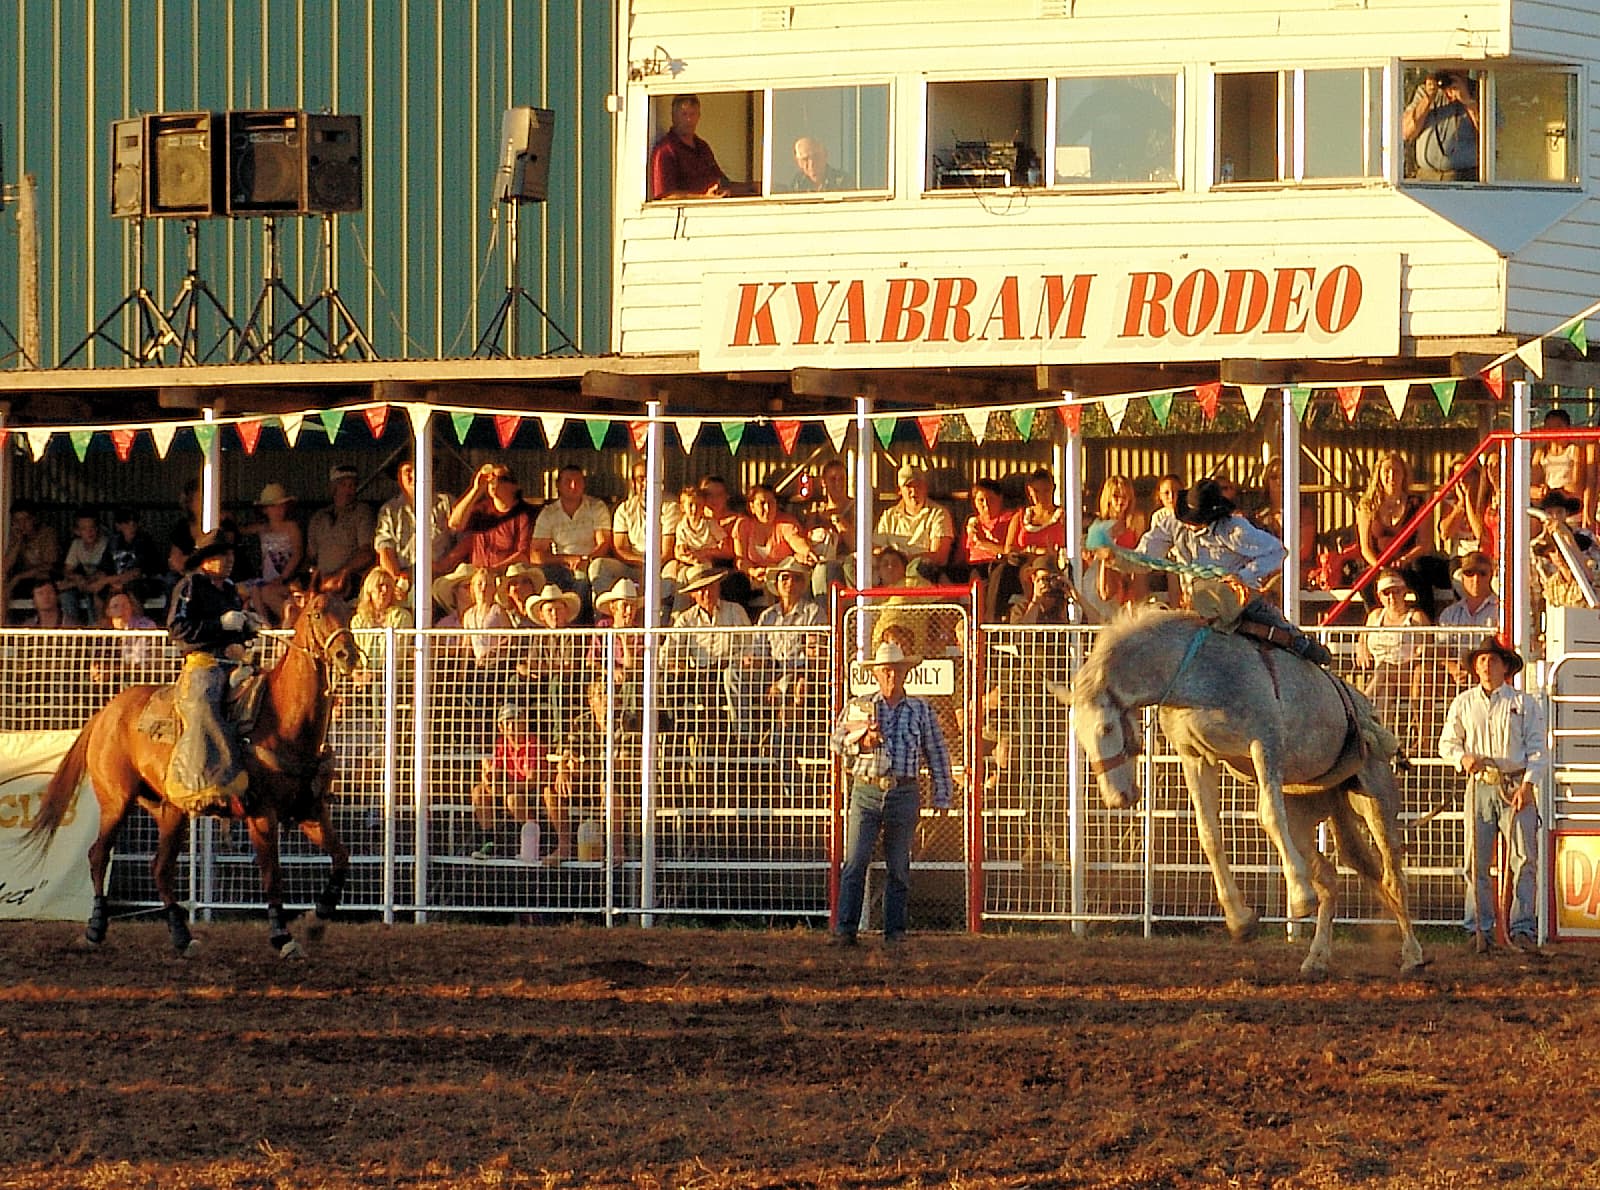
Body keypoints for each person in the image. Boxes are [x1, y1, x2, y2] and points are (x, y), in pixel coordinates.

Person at [828, 640, 954, 949]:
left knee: (898, 866)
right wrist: (862, 744)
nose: (891, 676)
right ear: (877, 674)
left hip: (903, 791)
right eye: (886, 671)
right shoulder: (859, 706)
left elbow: (937, 753)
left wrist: (943, 794)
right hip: (867, 789)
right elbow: (836, 742)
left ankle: (893, 931)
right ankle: (846, 929)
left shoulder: (920, 709)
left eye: (896, 670)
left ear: (904, 673)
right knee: (855, 861)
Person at [1136, 478, 1332, 665]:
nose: (1188, 522)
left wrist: (1242, 577)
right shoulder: (1172, 524)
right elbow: (1144, 555)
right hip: (1197, 606)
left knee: (1282, 631)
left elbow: (1277, 550)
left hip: (1242, 603)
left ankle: (1302, 644)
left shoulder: (1234, 530)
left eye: (1194, 518)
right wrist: (1123, 559)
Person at [1437, 637, 1547, 954]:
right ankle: (1479, 930)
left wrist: (1528, 785)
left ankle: (1522, 929)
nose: (1486, 665)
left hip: (1515, 785)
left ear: (1505, 667)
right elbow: (1447, 743)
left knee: (1524, 860)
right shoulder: (1463, 703)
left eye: (1493, 660)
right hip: (1480, 785)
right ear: (1475, 667)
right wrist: (1462, 758)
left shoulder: (1524, 703)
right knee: (1475, 862)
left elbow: (1538, 748)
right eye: (1482, 660)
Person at [166, 539, 258, 814]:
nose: (229, 561)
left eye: (230, 555)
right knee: (204, 705)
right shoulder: (190, 586)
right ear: (205, 560)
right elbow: (177, 628)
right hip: (203, 663)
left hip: (233, 663)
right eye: (221, 556)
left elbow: (234, 631)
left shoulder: (229, 589)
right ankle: (204, 781)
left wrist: (246, 627)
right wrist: (219, 624)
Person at [1355, 450, 1448, 619]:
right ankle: (1376, 621)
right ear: (1379, 475)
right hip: (1379, 564)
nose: (1392, 476)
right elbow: (1365, 547)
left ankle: (1425, 621)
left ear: (1404, 475)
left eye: (1396, 471)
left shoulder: (1417, 504)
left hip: (1408, 564)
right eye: (1387, 471)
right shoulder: (1367, 506)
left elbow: (1424, 543)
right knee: (1365, 581)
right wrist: (1380, 566)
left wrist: (1405, 559)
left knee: (1421, 572)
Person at [374, 455, 464, 614]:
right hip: (403, 578)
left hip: (440, 578)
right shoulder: (389, 510)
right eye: (408, 471)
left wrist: (443, 565)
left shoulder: (446, 503)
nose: (414, 475)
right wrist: (396, 580)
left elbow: (465, 541)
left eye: (419, 469)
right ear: (399, 477)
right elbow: (384, 549)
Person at [531, 464, 625, 613]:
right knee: (541, 577)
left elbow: (604, 543)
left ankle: (582, 622)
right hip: (561, 565)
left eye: (578, 481)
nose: (573, 486)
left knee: (585, 579)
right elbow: (535, 554)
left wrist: (586, 560)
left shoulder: (596, 507)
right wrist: (566, 560)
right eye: (568, 481)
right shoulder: (549, 513)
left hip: (590, 562)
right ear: (558, 486)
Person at [468, 702, 553, 863]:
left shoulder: (532, 744)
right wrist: (488, 776)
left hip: (532, 791)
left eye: (516, 721)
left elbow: (533, 781)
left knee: (513, 799)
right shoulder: (502, 744)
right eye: (507, 722)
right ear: (501, 727)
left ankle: (534, 841)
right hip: (511, 788)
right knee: (479, 792)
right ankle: (490, 841)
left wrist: (505, 788)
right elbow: (496, 771)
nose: (512, 726)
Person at [1356, 569, 1430, 750]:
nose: (1391, 597)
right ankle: (1384, 745)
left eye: (1396, 591)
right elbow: (1362, 638)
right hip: (1382, 678)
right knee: (1384, 693)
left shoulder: (1415, 618)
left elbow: (1427, 652)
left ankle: (1359, 705)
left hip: (1408, 674)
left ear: (1404, 591)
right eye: (1386, 593)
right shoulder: (1375, 616)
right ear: (1379, 596)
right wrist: (1361, 647)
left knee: (1384, 670)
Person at [648, 94, 758, 200]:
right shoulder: (665, 151)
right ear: (673, 116)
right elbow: (664, 196)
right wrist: (705, 198)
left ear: (698, 116)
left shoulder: (702, 147)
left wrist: (751, 188)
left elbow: (722, 183)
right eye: (684, 114)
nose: (689, 120)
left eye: (692, 114)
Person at [449, 462, 540, 572]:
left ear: (515, 486)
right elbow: (454, 524)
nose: (494, 482)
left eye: (500, 479)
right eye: (491, 479)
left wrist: (493, 570)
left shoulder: (525, 514)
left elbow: (523, 555)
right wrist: (476, 490)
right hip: (478, 575)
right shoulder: (482, 509)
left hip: (509, 575)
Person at [304, 464, 376, 598]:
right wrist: (313, 581)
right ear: (333, 488)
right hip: (320, 584)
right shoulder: (319, 517)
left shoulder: (362, 513)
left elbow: (367, 553)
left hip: (350, 583)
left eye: (352, 485)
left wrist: (343, 572)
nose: (348, 490)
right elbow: (311, 557)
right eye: (343, 485)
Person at [875, 463, 955, 582]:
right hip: (891, 571)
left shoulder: (939, 513)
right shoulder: (889, 516)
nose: (914, 491)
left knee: (918, 567)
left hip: (923, 574)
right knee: (851, 565)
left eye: (918, 485)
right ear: (899, 490)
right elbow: (876, 548)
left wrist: (906, 560)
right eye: (908, 487)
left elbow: (939, 556)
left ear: (926, 487)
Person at [239, 483, 305, 623]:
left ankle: (295, 623)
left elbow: (297, 553)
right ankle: (265, 625)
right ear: (265, 510)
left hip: (288, 580)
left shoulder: (291, 527)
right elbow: (240, 531)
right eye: (273, 506)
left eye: (282, 506)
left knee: (266, 592)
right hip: (266, 580)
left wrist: (283, 577)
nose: (278, 510)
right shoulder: (262, 528)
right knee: (254, 591)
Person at [1403, 69, 1480, 182]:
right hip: (1427, 177)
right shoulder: (1424, 91)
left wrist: (1468, 101)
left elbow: (1492, 134)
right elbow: (1406, 132)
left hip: (1464, 177)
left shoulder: (1480, 90)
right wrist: (1428, 99)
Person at [1440, 551, 1502, 685]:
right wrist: (1453, 668)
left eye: (1482, 573)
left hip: (1490, 674)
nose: (1476, 579)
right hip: (1456, 677)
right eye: (1469, 573)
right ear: (1461, 576)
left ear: (1491, 575)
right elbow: (1441, 650)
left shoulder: (1501, 610)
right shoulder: (1449, 613)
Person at [57, 507, 114, 625]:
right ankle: (72, 627)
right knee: (66, 594)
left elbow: (105, 573)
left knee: (95, 593)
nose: (89, 532)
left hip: (102, 585)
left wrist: (81, 582)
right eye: (84, 528)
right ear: (77, 531)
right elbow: (67, 570)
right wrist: (76, 578)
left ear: (98, 528)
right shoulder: (77, 544)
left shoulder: (106, 544)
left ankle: (95, 628)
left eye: (92, 527)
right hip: (84, 583)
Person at [104, 507, 166, 609]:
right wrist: (98, 582)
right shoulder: (113, 542)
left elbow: (136, 573)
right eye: (127, 522)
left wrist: (106, 581)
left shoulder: (144, 541)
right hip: (118, 582)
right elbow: (104, 567)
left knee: (132, 588)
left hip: (147, 582)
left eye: (134, 522)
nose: (131, 526)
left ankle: (137, 619)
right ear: (118, 526)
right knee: (101, 591)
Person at [4, 503, 61, 609]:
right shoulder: (16, 536)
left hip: (46, 578)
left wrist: (18, 577)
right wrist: (18, 542)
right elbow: (5, 567)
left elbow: (49, 566)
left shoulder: (47, 534)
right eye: (17, 521)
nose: (22, 525)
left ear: (34, 519)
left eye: (26, 520)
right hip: (26, 580)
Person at [784, 136, 850, 192]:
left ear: (825, 155)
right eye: (805, 159)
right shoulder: (798, 183)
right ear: (798, 162)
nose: (811, 164)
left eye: (816, 157)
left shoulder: (843, 181)